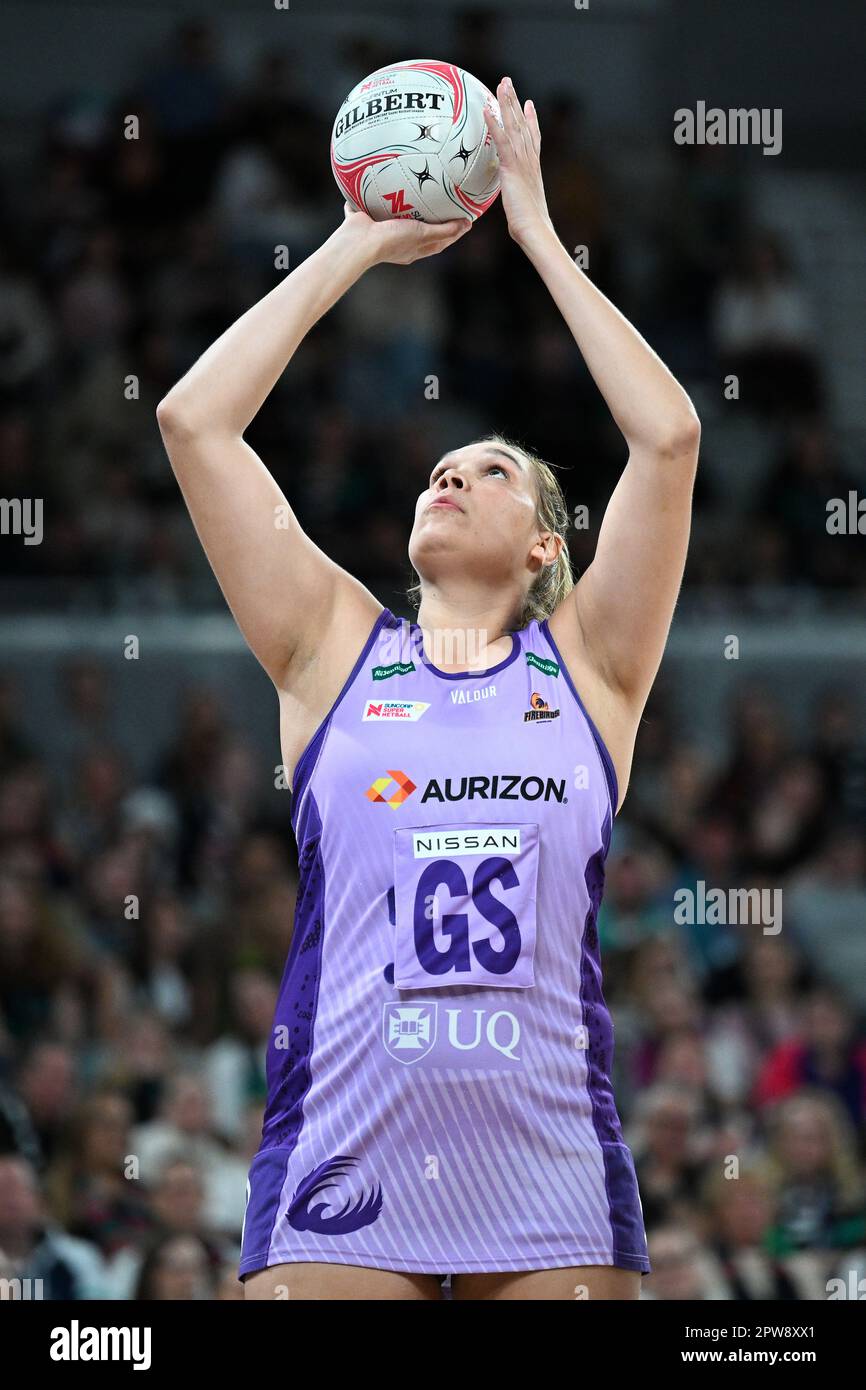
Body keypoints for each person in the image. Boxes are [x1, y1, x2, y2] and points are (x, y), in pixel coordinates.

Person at [157, 75, 700, 1301]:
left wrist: (536, 236)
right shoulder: (332, 648)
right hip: (343, 1152)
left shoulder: (591, 664)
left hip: (547, 1159)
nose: (446, 476)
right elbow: (195, 423)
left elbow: (666, 439)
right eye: (439, 468)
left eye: (488, 471)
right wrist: (355, 239)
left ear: (545, 546)